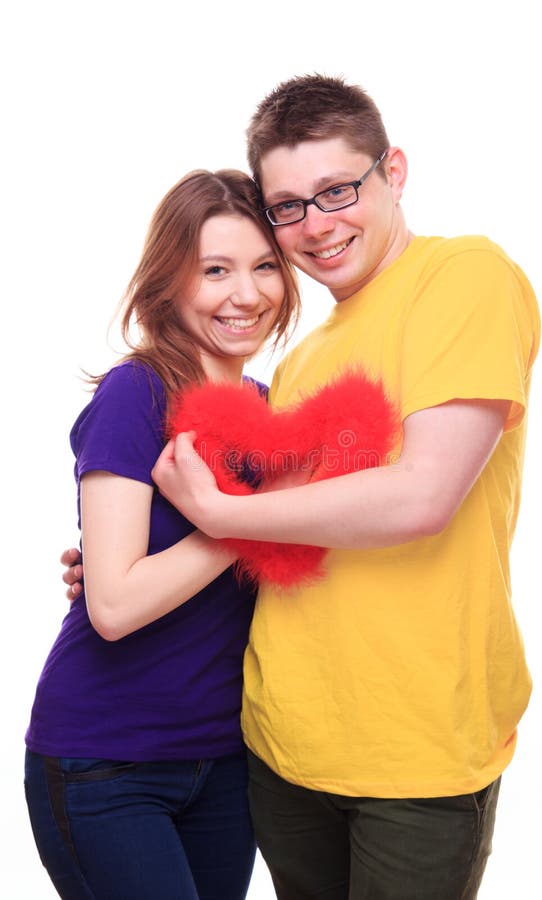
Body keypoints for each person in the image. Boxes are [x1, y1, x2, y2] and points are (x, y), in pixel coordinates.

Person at [148, 75, 541, 900]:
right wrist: (139, 554)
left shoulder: (463, 274)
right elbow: (276, 541)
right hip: (282, 743)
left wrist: (222, 510)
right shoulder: (297, 361)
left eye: (337, 190)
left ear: (392, 172)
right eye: (288, 206)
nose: (316, 225)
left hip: (417, 753)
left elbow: (423, 495)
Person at [25, 168, 300, 900]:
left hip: (226, 763)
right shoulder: (137, 393)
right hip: (107, 765)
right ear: (170, 281)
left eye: (265, 266)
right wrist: (239, 516)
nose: (246, 294)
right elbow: (113, 609)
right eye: (215, 270)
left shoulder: (271, 414)